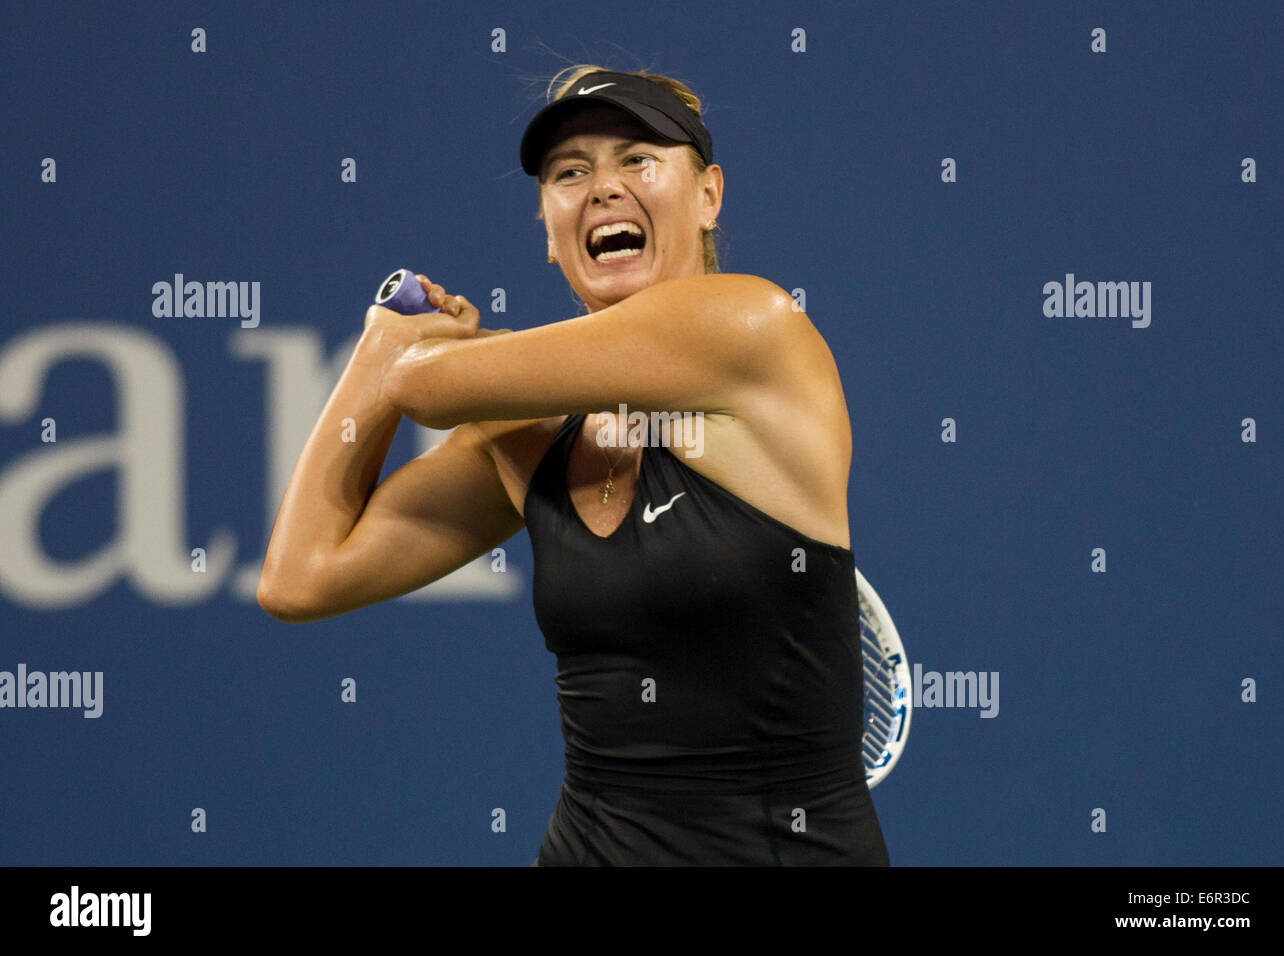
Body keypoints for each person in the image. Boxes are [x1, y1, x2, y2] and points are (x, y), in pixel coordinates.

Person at [257, 65, 889, 866]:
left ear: (708, 196)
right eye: (570, 172)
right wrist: (375, 350)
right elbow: (299, 577)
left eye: (638, 159)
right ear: (550, 234)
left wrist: (406, 347)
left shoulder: (754, 325)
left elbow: (423, 384)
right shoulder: (531, 433)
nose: (603, 188)